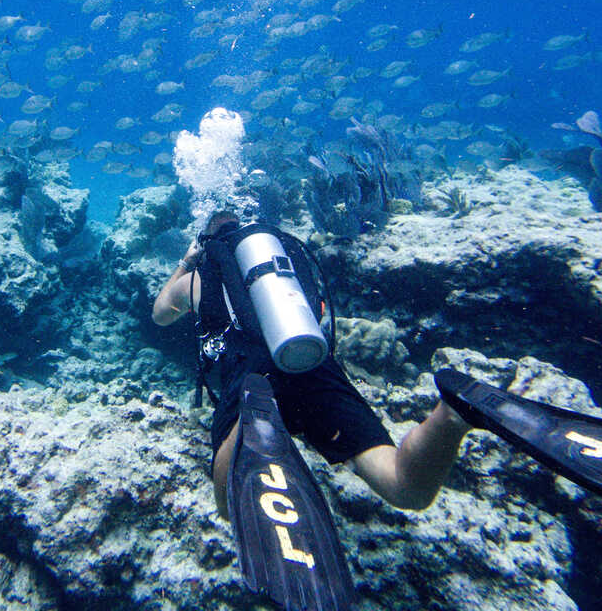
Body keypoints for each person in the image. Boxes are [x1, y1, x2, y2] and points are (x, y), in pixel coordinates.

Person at [152, 210, 471, 519]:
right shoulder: (282, 263)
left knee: (230, 506)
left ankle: (251, 423)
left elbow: (160, 315)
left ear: (207, 242)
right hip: (307, 356)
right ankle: (452, 415)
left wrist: (185, 263)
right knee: (404, 487)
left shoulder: (196, 279)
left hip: (251, 375)